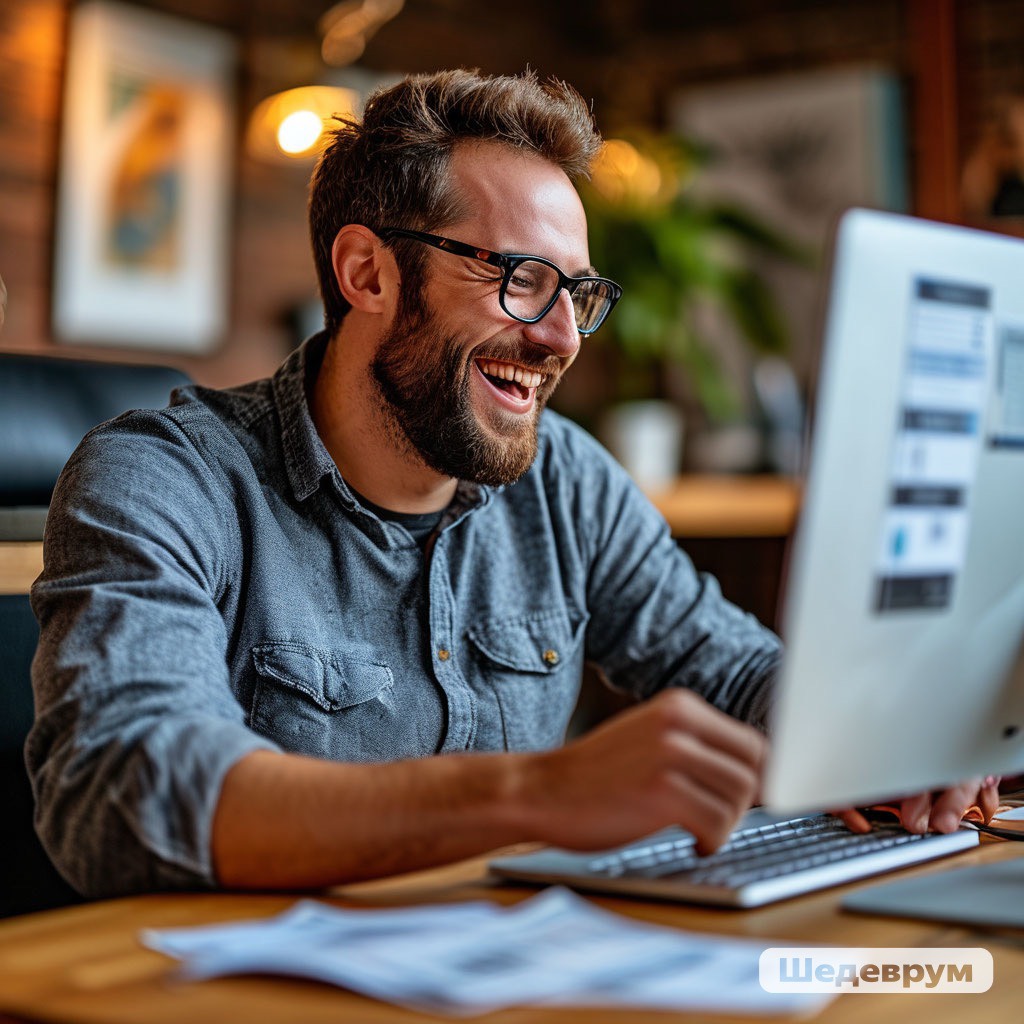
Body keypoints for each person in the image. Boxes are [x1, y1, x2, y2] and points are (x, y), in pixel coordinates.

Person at [27, 70, 997, 898]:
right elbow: (123, 791)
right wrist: (535, 793)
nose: (563, 339)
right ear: (367, 273)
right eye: (521, 278)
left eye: (576, 292)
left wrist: (890, 746)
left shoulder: (565, 477)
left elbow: (735, 672)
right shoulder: (163, 476)